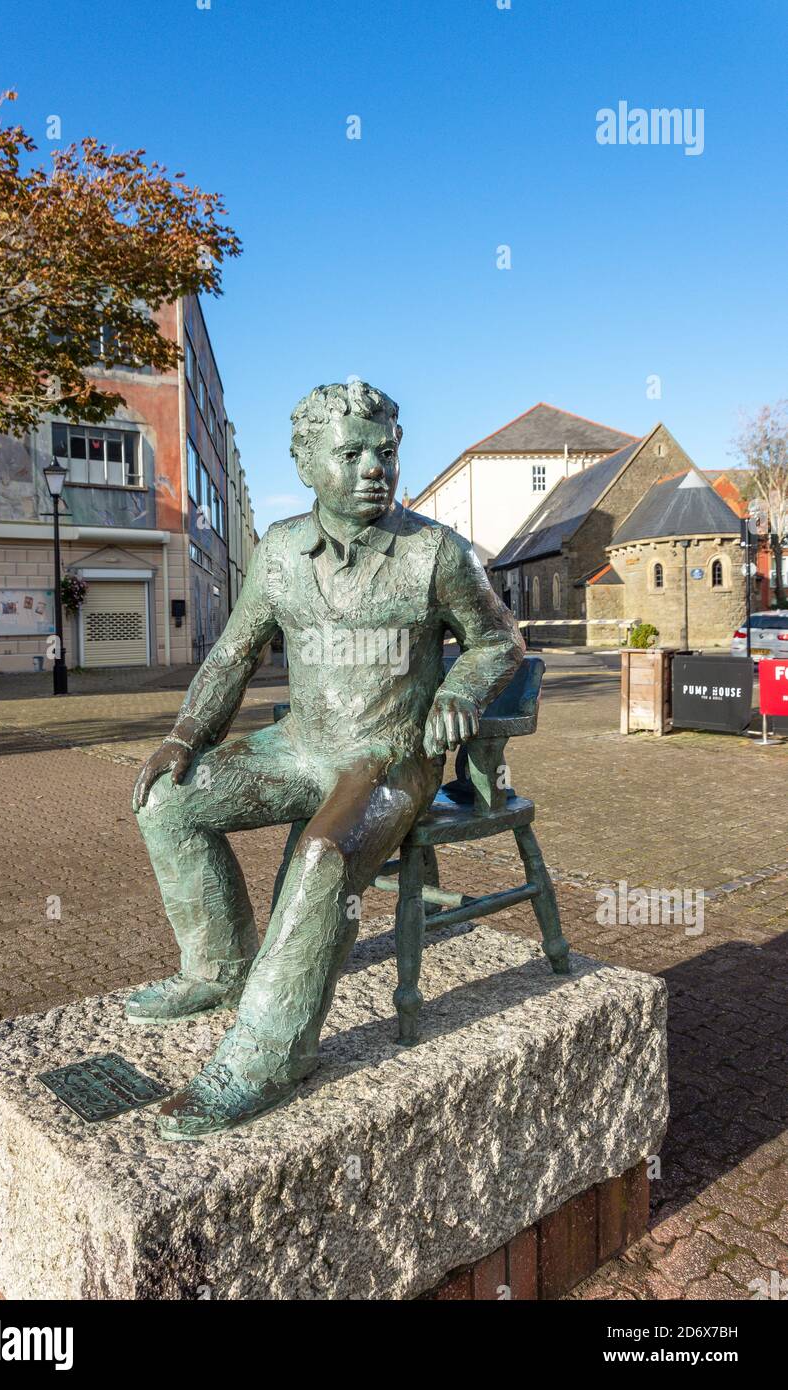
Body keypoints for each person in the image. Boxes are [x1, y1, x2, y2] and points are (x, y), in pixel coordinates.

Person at [131, 381, 524, 1138]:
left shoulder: (436, 553)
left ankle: (270, 1054)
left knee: (319, 855)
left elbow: (498, 640)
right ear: (307, 462)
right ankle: (218, 968)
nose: (375, 468)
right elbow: (234, 654)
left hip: (386, 758)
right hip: (296, 747)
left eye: (386, 452)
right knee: (165, 798)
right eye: (351, 453)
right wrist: (185, 736)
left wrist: (458, 692)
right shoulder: (278, 551)